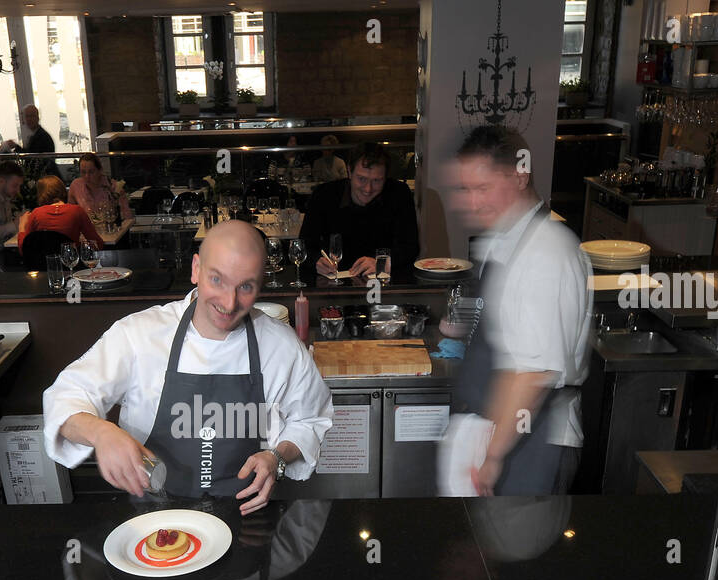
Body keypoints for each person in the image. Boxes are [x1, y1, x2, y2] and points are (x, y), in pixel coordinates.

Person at [42, 220, 333, 514]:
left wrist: (277, 458)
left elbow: (310, 419)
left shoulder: (280, 345)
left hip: (246, 516)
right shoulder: (139, 335)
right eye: (217, 279)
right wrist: (101, 433)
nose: (229, 303)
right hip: (154, 515)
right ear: (196, 269)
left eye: (245, 286)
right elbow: (63, 398)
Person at [438, 125, 592, 497]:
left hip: (530, 444)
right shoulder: (505, 239)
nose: (472, 203)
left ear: (521, 175)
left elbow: (533, 375)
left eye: (483, 188)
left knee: (513, 551)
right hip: (502, 435)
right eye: (466, 189)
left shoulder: (546, 251)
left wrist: (491, 458)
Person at [301, 141, 418, 280]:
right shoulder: (324, 194)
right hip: (335, 283)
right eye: (361, 179)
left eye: (377, 181)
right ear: (349, 171)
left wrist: (382, 263)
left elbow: (410, 247)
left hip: (384, 283)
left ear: (385, 177)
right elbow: (304, 245)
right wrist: (315, 261)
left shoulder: (399, 193)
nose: (368, 189)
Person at [17, 175, 104, 249]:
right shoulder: (77, 211)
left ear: (40, 194)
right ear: (62, 190)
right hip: (72, 265)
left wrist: (21, 227)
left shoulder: (36, 213)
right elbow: (97, 244)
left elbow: (23, 250)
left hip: (44, 266)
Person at [68, 153, 132, 225]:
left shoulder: (113, 187)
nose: (87, 176)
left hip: (110, 231)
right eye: (83, 172)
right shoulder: (76, 186)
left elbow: (127, 217)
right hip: (87, 230)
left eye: (91, 172)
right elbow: (71, 214)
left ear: (100, 170)